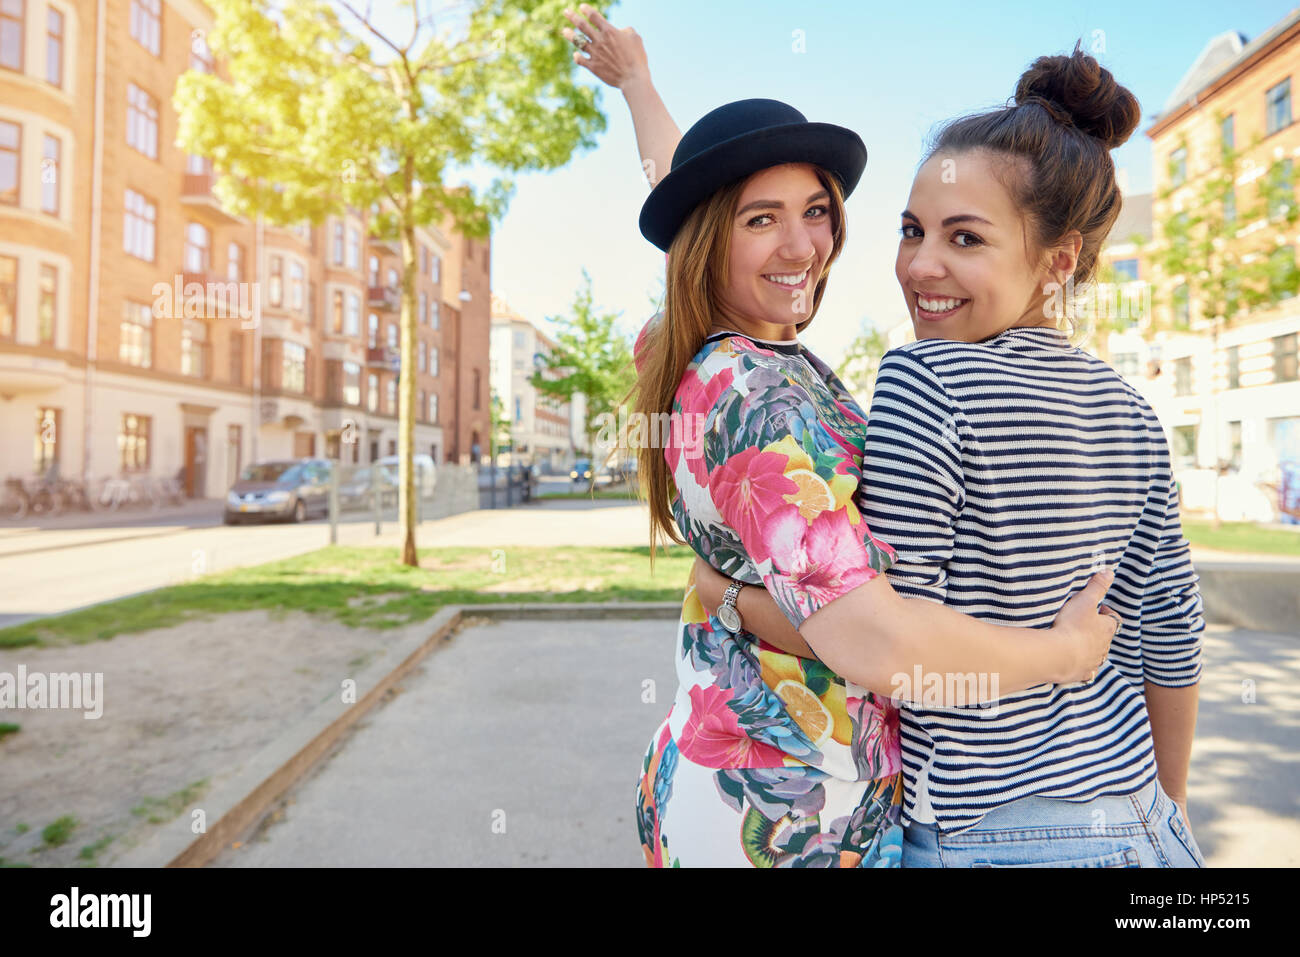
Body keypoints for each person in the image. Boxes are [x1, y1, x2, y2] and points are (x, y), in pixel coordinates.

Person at [564, 11, 1123, 866]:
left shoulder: (685, 347)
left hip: (721, 770)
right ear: (710, 239)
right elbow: (876, 644)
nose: (802, 247)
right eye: (761, 222)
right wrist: (1067, 652)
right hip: (790, 816)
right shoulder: (762, 399)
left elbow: (688, 187)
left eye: (817, 212)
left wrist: (639, 85)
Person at [687, 48, 1207, 867]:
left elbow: (885, 636)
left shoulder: (924, 380)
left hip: (991, 834)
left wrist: (726, 593)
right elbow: (1171, 633)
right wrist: (1170, 809)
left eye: (963, 238)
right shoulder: (1134, 411)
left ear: (1058, 261)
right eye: (911, 230)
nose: (920, 266)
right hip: (1145, 826)